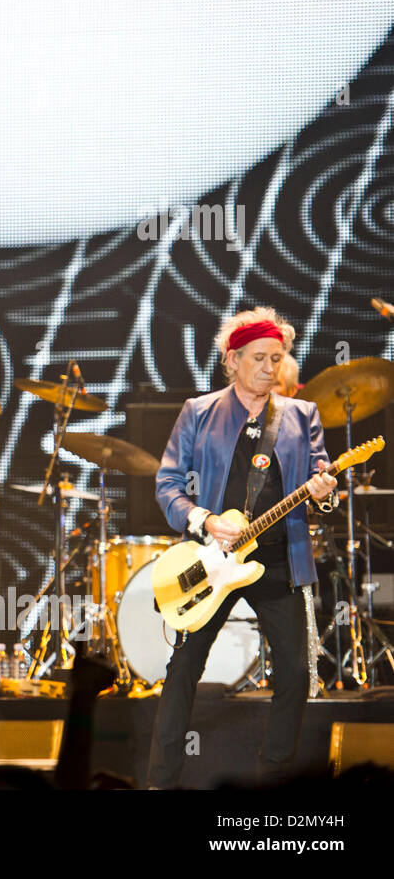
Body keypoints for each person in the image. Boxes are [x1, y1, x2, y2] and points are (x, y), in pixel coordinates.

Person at [147, 307, 337, 788]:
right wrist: (204, 519)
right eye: (259, 358)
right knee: (185, 667)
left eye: (277, 358)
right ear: (232, 360)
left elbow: (326, 480)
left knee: (295, 673)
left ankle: (272, 776)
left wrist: (327, 491)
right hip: (212, 559)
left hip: (278, 558)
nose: (270, 368)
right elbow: (169, 483)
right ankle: (162, 781)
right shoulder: (199, 411)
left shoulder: (301, 415)